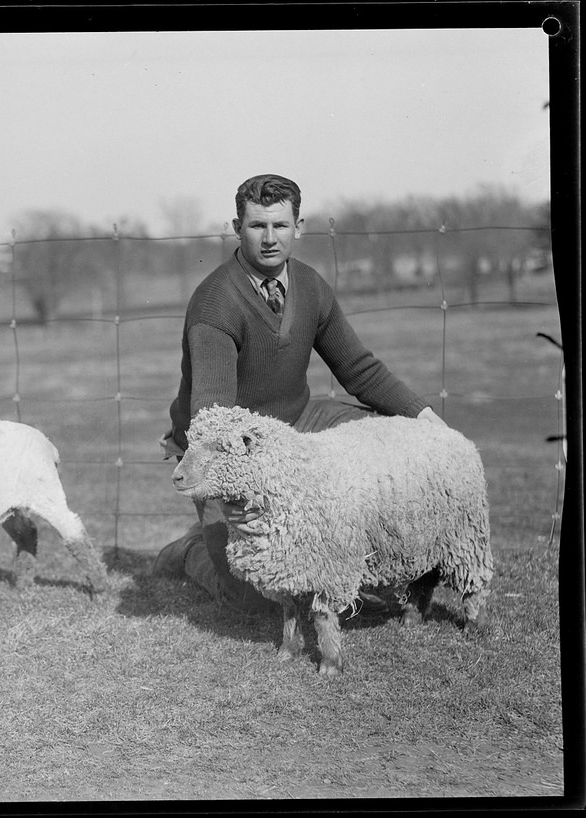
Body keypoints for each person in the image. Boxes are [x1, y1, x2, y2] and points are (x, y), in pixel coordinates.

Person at [155, 174, 446, 611]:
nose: (270, 239)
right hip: (223, 447)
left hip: (297, 424)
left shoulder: (310, 285)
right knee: (252, 595)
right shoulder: (216, 302)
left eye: (280, 225)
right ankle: (192, 550)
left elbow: (358, 369)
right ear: (237, 228)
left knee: (386, 437)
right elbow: (213, 415)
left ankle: (376, 563)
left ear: (299, 226)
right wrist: (233, 494)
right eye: (257, 226)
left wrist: (424, 419)